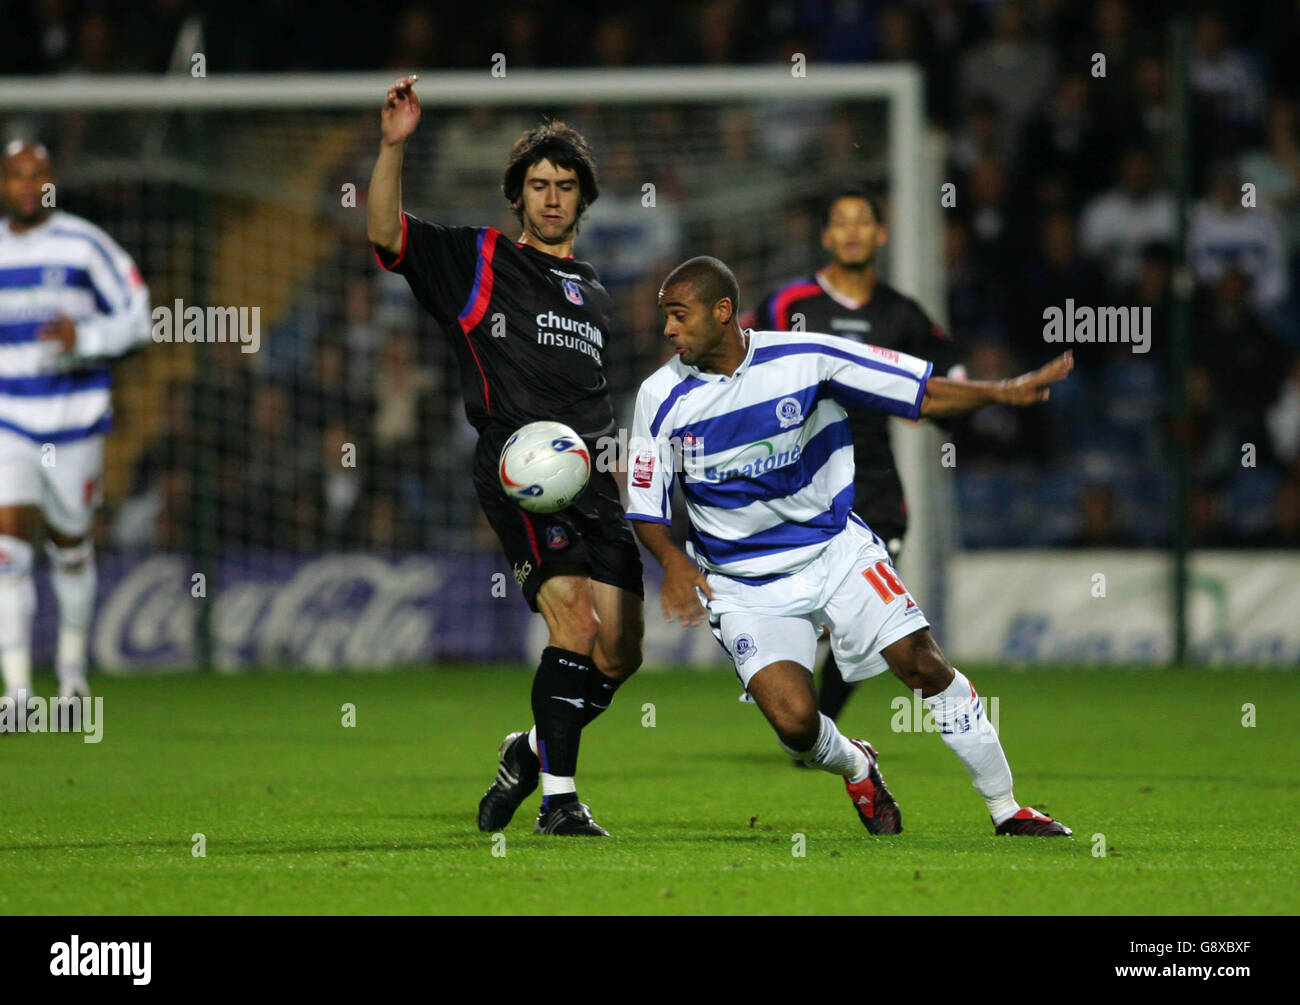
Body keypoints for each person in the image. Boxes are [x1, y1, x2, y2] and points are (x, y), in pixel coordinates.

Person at [629, 256, 1073, 837]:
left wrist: (1002, 393)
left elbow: (922, 395)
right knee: (794, 725)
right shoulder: (659, 396)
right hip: (742, 583)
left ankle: (1007, 807)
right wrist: (672, 561)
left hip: (834, 551)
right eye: (665, 316)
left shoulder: (807, 358)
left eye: (678, 315)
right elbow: (645, 503)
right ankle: (857, 763)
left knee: (921, 662)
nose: (668, 330)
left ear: (722, 312)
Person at [366, 76, 643, 836]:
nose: (551, 197)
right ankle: (559, 801)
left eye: (564, 186)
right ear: (516, 197)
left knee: (620, 654)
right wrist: (394, 145)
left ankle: (528, 750)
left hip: (594, 482)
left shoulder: (596, 290)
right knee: (576, 625)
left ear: (583, 200)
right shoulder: (477, 259)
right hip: (522, 474)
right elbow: (387, 234)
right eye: (537, 185)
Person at [754, 187, 962, 734]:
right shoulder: (789, 306)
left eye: (863, 221)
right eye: (840, 222)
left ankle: (816, 728)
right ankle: (799, 714)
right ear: (826, 236)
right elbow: (738, 363)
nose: (851, 231)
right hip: (795, 489)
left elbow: (951, 388)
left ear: (881, 233)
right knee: (794, 616)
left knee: (863, 621)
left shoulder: (904, 315)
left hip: (873, 491)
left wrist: (963, 406)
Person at [0, 140, 151, 730]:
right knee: (8, 551)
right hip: (8, 418)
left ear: (52, 181)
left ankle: (70, 676)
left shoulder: (86, 247)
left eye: (38, 175)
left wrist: (83, 339)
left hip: (73, 421)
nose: (27, 185)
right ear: (3, 184)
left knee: (70, 548)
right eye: (15, 175)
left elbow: (139, 319)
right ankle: (15, 692)